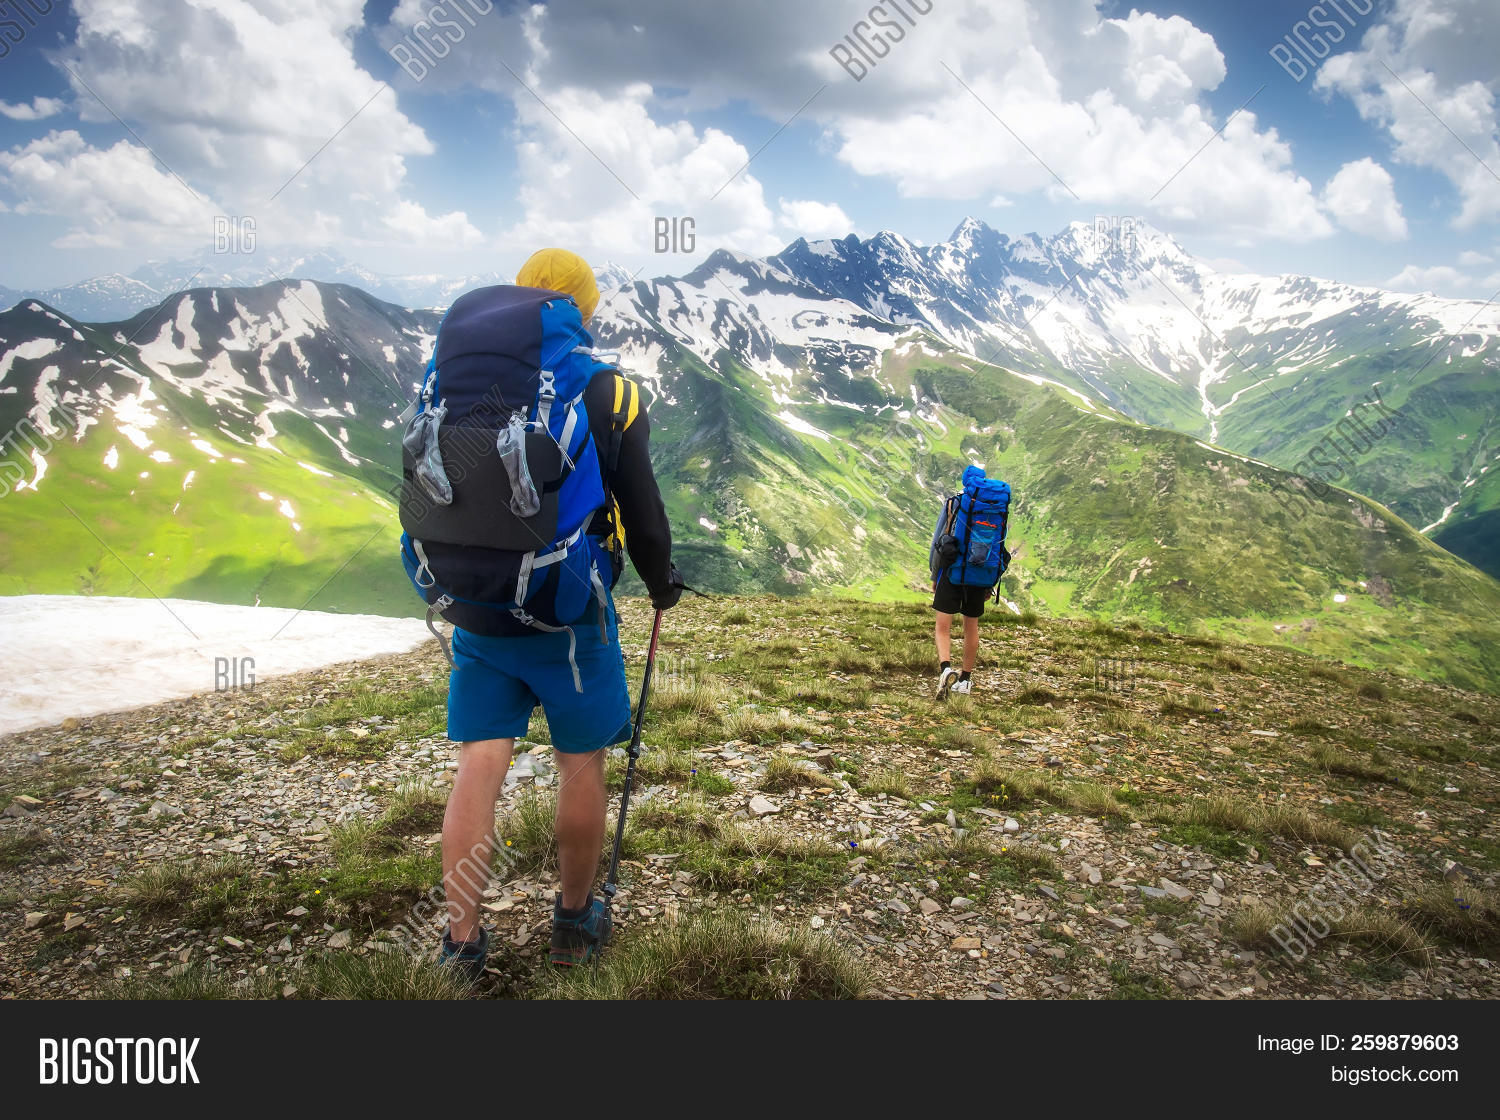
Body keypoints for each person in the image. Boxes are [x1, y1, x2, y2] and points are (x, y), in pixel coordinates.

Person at [436, 248, 683, 978]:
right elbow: (644, 514)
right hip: (565, 612)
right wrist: (661, 582)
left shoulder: (455, 375)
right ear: (582, 306)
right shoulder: (607, 391)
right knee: (580, 766)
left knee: (479, 764)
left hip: (476, 607)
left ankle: (461, 941)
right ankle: (575, 922)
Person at [929, 465, 1011, 700]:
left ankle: (945, 669)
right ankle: (965, 679)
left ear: (966, 483)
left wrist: (936, 575)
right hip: (980, 576)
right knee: (971, 627)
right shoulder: (996, 509)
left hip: (952, 572)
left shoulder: (955, 504)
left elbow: (938, 541)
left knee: (942, 626)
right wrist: (989, 582)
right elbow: (997, 547)